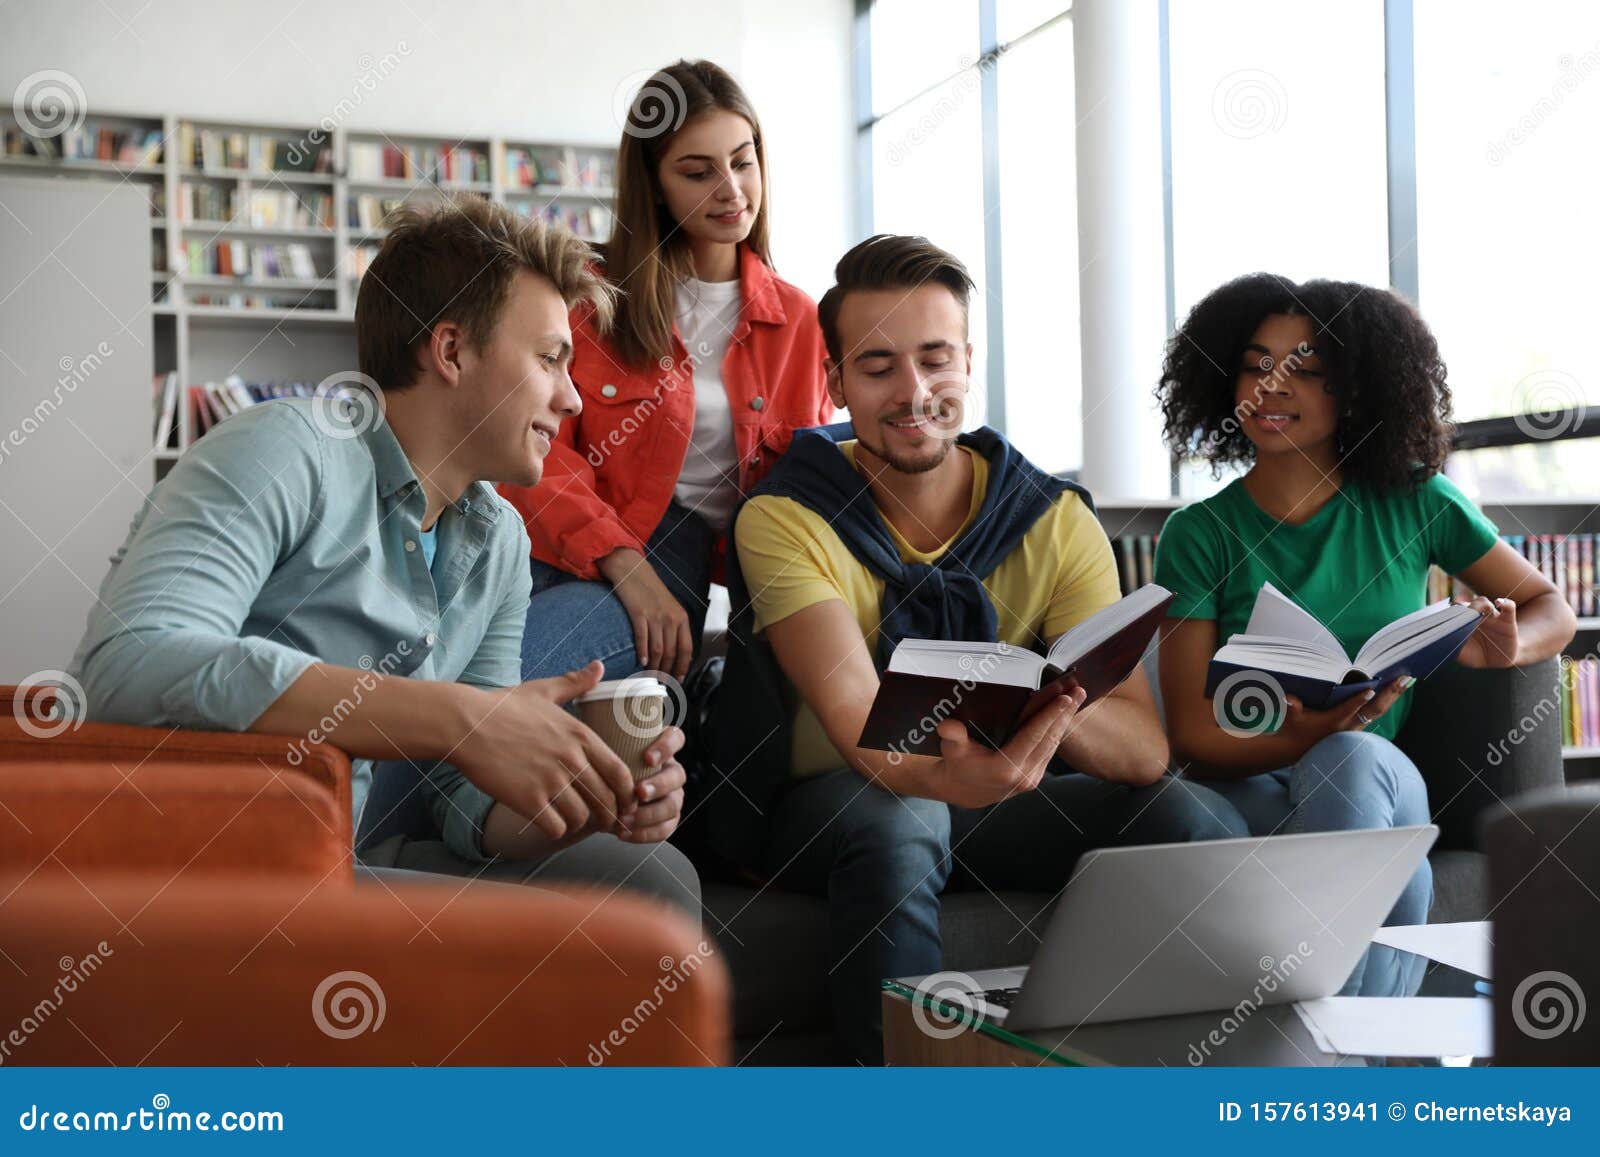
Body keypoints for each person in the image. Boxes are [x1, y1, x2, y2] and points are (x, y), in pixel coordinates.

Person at [67, 195, 699, 917]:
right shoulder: (285, 449)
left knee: (651, 880)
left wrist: (572, 795)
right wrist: (457, 717)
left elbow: (463, 802)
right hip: (217, 862)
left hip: (347, 848)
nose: (573, 399)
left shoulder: (501, 541)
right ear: (452, 351)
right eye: (552, 359)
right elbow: (130, 662)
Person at [704, 235, 1247, 1064]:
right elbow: (859, 721)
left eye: (934, 358)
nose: (913, 391)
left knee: (1193, 815)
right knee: (905, 817)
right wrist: (972, 759)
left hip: (1005, 800)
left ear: (967, 360)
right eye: (878, 365)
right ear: (834, 378)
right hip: (837, 805)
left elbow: (1141, 748)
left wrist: (1043, 711)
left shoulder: (1054, 519)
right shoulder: (783, 515)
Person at [1152, 273, 1577, 995]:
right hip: (1251, 785)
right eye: (1256, 365)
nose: (1272, 387)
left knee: (1350, 759)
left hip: (1374, 774)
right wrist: (1306, 733)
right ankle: (1364, 1065)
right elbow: (1193, 731)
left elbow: (1550, 608)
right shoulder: (1199, 533)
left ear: (1355, 389)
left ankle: (1323, 1066)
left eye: (1306, 371)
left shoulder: (1415, 501)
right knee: (1394, 862)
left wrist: (1511, 644)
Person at [500, 59, 832, 687]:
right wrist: (628, 566)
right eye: (697, 172)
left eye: (743, 161)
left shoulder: (801, 322)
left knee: (519, 682)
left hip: (710, 569)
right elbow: (537, 461)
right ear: (653, 184)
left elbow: (806, 492)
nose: (731, 191)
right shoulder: (585, 302)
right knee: (485, 678)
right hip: (568, 554)